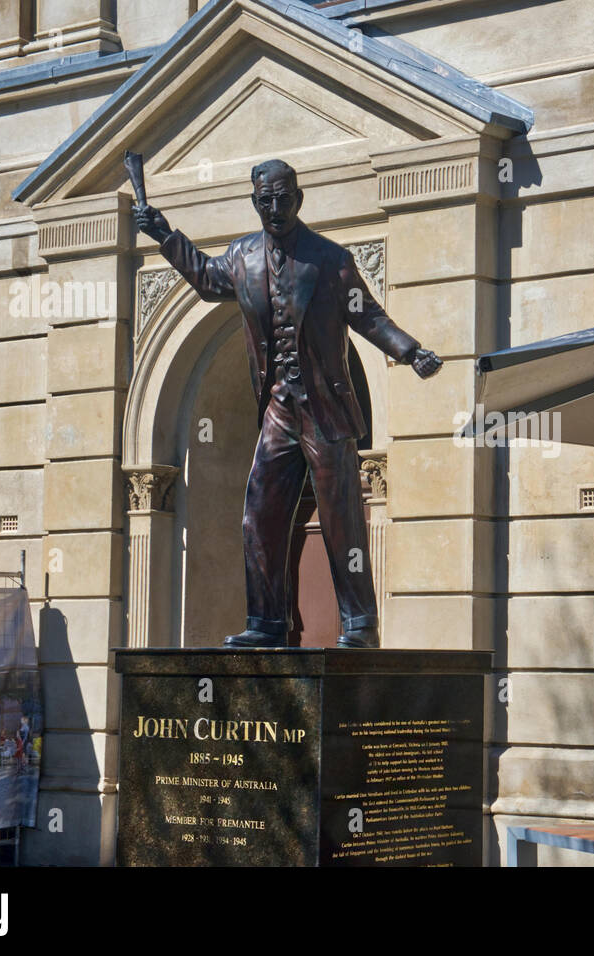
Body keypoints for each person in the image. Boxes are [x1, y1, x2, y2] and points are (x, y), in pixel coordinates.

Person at [133, 159, 442, 649]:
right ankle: (267, 622)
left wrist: (411, 350)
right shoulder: (241, 257)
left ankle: (359, 625)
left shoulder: (330, 260)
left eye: (283, 198)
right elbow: (207, 280)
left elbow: (369, 318)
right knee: (260, 513)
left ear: (298, 199)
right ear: (255, 203)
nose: (275, 208)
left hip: (326, 411)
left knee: (341, 518)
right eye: (265, 200)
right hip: (278, 410)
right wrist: (165, 235)